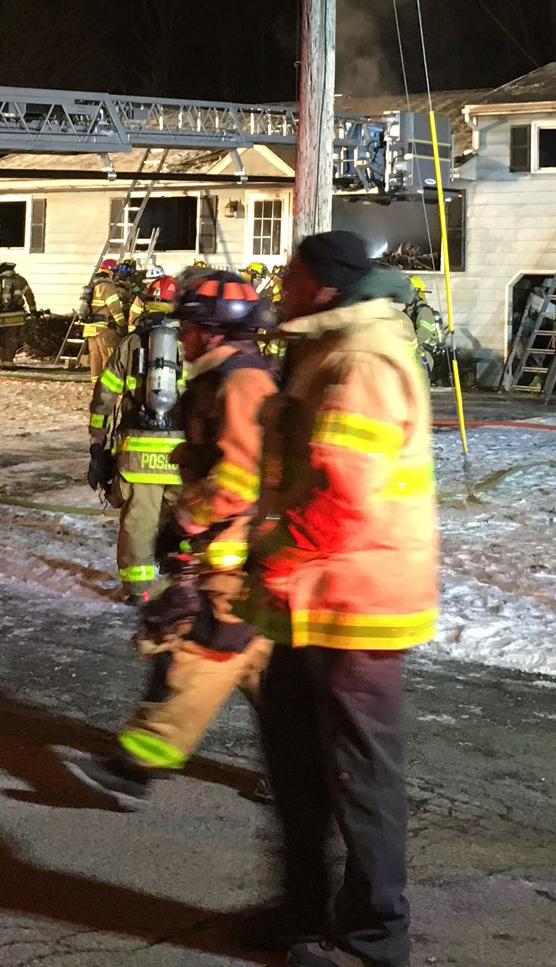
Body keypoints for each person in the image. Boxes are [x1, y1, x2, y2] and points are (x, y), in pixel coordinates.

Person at [245, 231, 438, 967]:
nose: (280, 287)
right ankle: (303, 907)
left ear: (322, 285)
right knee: (297, 764)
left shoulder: (360, 360)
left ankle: (372, 939)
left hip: (356, 601)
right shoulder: (324, 348)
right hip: (315, 594)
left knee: (359, 775)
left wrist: (271, 552)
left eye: (290, 276)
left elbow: (341, 497)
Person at [67, 270, 276, 807]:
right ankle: (307, 773)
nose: (180, 336)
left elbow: (239, 479)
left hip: (239, 555)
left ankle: (136, 767)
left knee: (200, 657)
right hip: (235, 554)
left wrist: (186, 522)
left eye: (190, 326)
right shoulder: (220, 376)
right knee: (263, 671)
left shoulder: (241, 383)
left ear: (213, 330)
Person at [87, 275, 183, 603]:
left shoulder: (130, 344)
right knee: (183, 519)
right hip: (181, 453)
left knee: (139, 523)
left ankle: (137, 590)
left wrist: (97, 440)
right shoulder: (189, 344)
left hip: (138, 453)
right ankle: (181, 584)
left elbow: (105, 394)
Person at [82, 259, 130, 380]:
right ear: (111, 272)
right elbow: (115, 308)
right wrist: (123, 324)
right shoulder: (107, 286)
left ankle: (95, 383)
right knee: (108, 356)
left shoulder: (94, 285)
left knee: (95, 357)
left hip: (90, 329)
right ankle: (106, 384)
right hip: (104, 329)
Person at [0, 261, 37, 369]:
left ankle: (0, 360)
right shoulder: (20, 280)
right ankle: (8, 361)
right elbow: (29, 295)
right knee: (12, 338)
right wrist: (33, 309)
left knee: (1, 338)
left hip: (1, 316)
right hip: (17, 316)